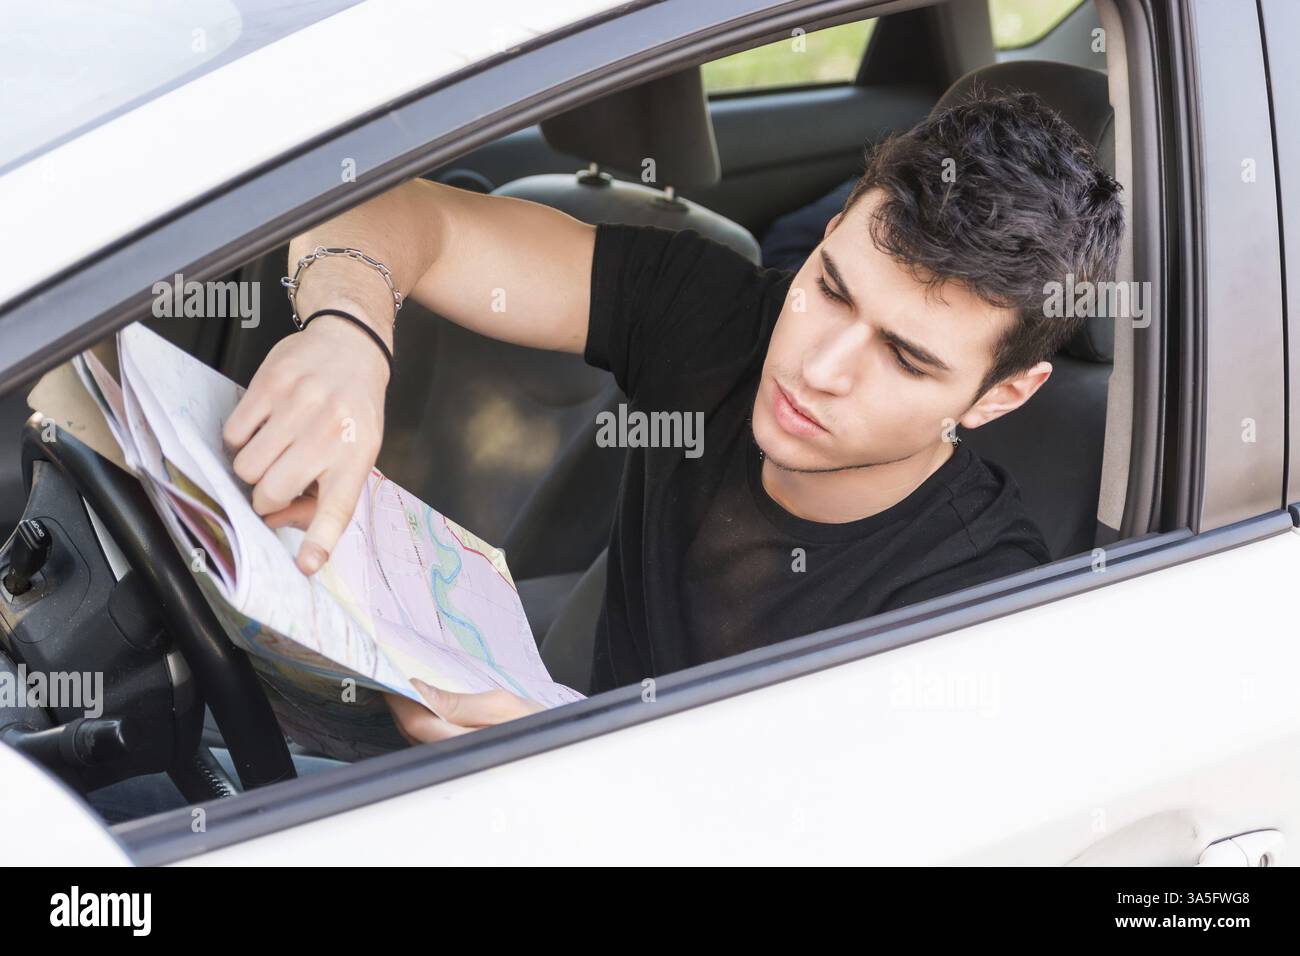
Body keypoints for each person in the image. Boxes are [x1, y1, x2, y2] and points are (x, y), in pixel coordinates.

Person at [221, 92, 1124, 743]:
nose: (819, 366)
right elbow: (399, 215)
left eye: (905, 356)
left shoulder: (976, 610)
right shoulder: (720, 315)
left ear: (1003, 394)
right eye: (829, 287)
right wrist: (347, 330)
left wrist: (553, 756)